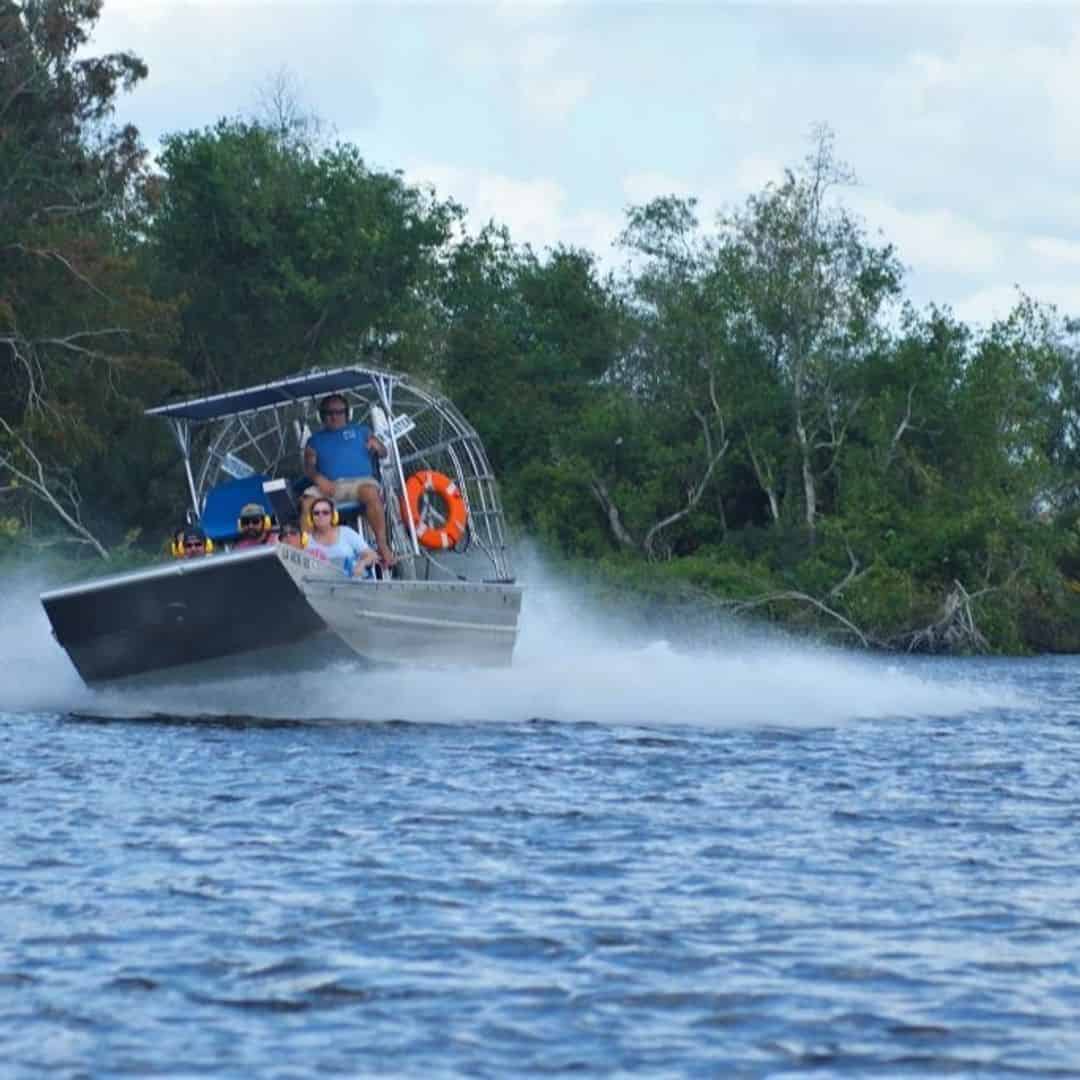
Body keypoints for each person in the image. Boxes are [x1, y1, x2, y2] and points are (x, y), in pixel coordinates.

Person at [301, 393, 395, 567]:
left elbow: (384, 452)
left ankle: (382, 545)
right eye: (329, 412)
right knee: (308, 501)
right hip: (329, 486)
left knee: (371, 492)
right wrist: (318, 478)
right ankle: (307, 551)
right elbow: (309, 468)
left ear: (347, 413)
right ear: (322, 416)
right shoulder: (314, 441)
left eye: (339, 412)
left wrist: (378, 446)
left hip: (360, 483)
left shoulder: (362, 431)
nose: (334, 416)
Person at [307, 496, 378, 578]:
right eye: (316, 513)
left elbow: (372, 555)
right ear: (311, 518)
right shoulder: (307, 541)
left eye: (325, 512)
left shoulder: (346, 532)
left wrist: (361, 564)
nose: (320, 515)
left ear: (333, 516)